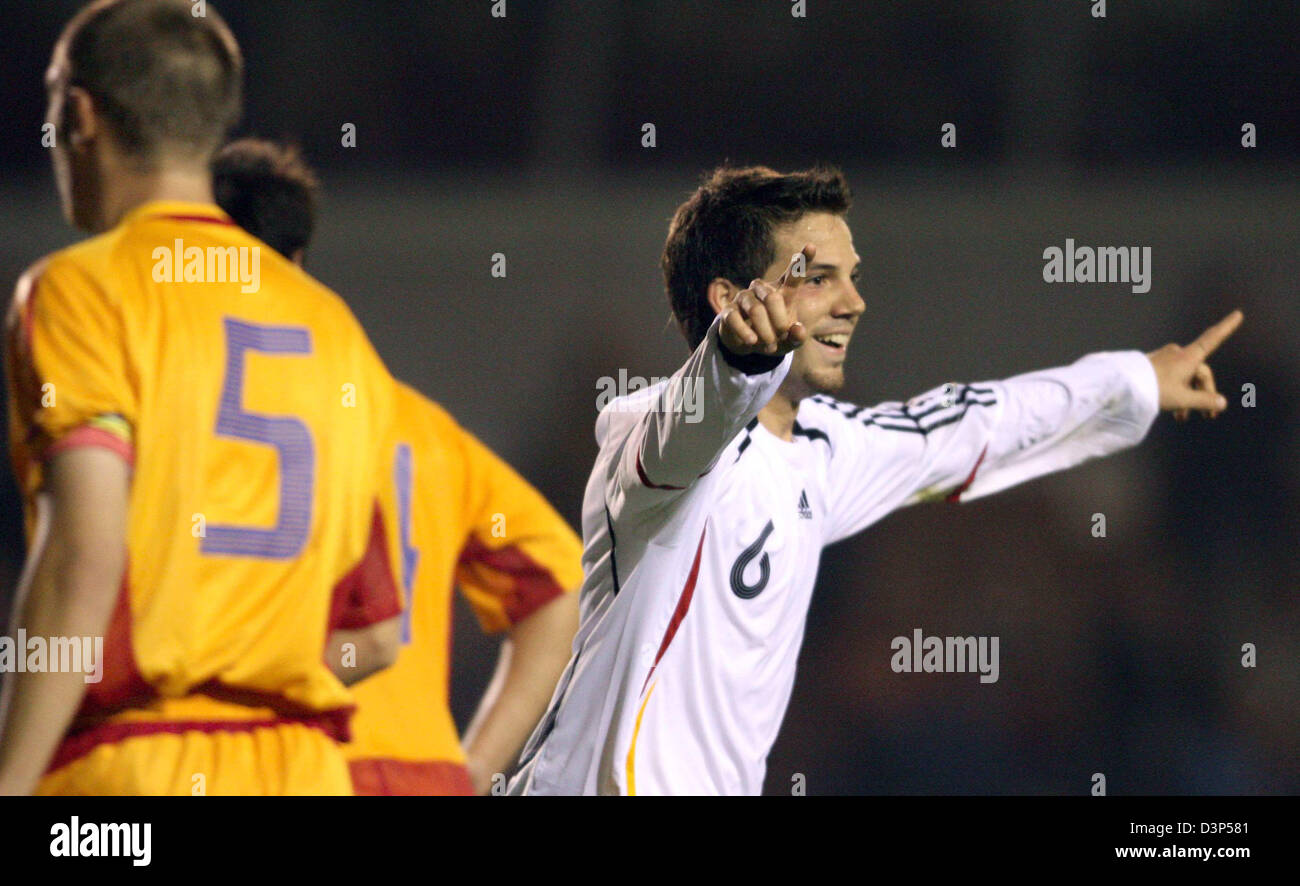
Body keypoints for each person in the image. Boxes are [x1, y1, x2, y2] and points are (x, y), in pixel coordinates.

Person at [509, 164, 1243, 795]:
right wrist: (736, 361)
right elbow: (691, 422)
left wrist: (1133, 382)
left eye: (851, 277)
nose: (853, 302)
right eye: (817, 277)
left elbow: (969, 423)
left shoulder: (826, 452)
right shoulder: (648, 437)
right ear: (732, 300)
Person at [0, 0, 403, 796]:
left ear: (79, 113)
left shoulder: (82, 291)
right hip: (305, 771)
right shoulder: (337, 328)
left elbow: (83, 554)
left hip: (134, 773)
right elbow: (376, 629)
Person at [213, 138, 583, 794]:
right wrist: (471, 770)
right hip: (420, 775)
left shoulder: (184, 411)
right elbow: (560, 590)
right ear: (298, 260)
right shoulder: (420, 426)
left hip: (274, 766)